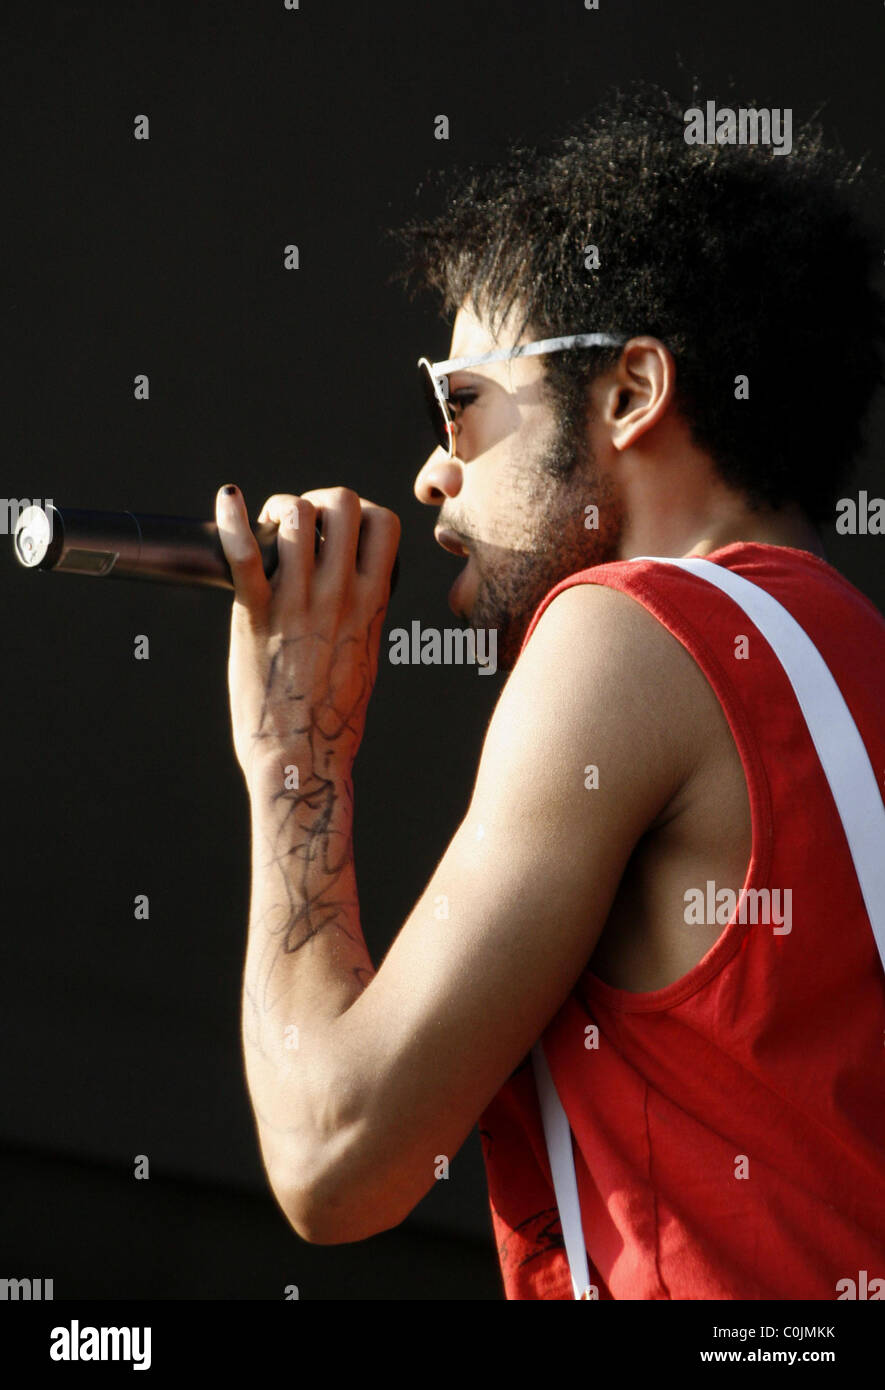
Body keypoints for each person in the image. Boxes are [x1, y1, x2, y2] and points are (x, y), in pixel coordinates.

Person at [214, 84, 885, 1299]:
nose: (429, 472)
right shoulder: (850, 659)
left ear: (630, 392)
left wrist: (294, 747)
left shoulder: (629, 630)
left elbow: (335, 1154)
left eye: (461, 402)